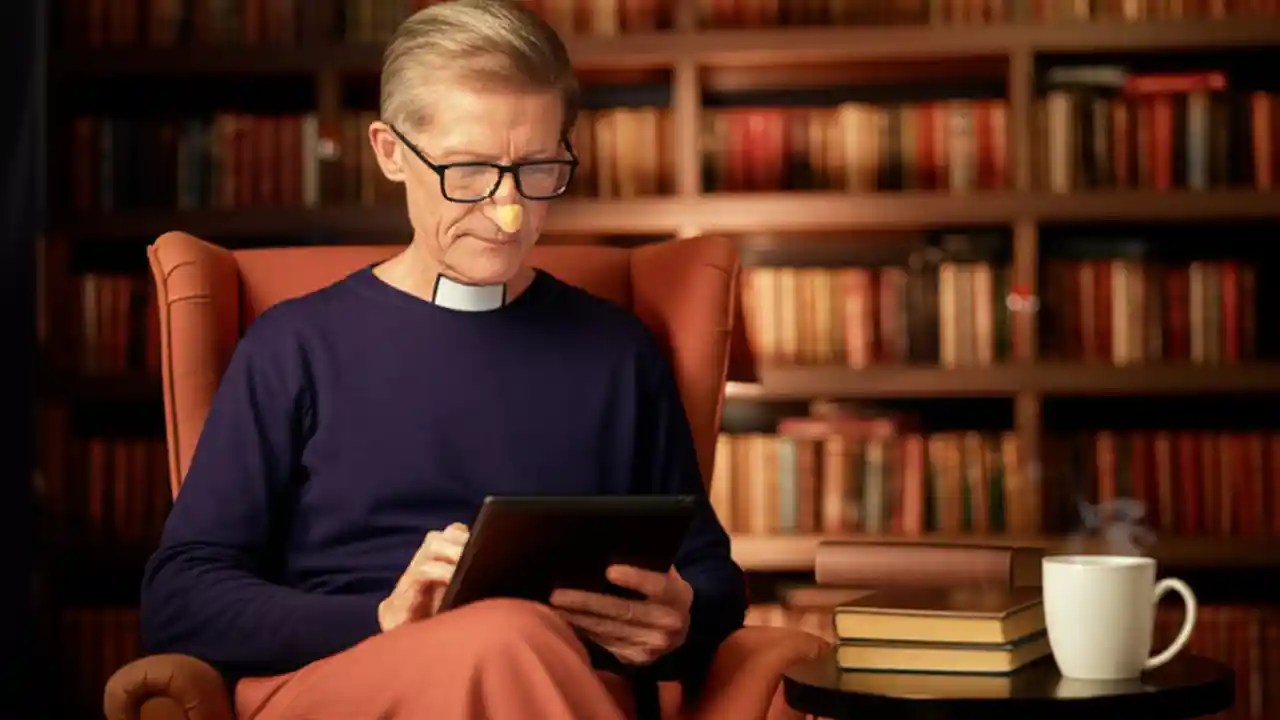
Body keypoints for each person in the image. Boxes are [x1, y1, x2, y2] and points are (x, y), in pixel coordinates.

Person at [137, 1, 750, 718]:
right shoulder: (292, 345)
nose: (509, 210)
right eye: (469, 170)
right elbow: (180, 598)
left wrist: (682, 617)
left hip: (565, 687)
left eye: (538, 169)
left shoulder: (619, 351)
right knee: (503, 635)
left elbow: (711, 574)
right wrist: (381, 617)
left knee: (512, 639)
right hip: (345, 679)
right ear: (390, 151)